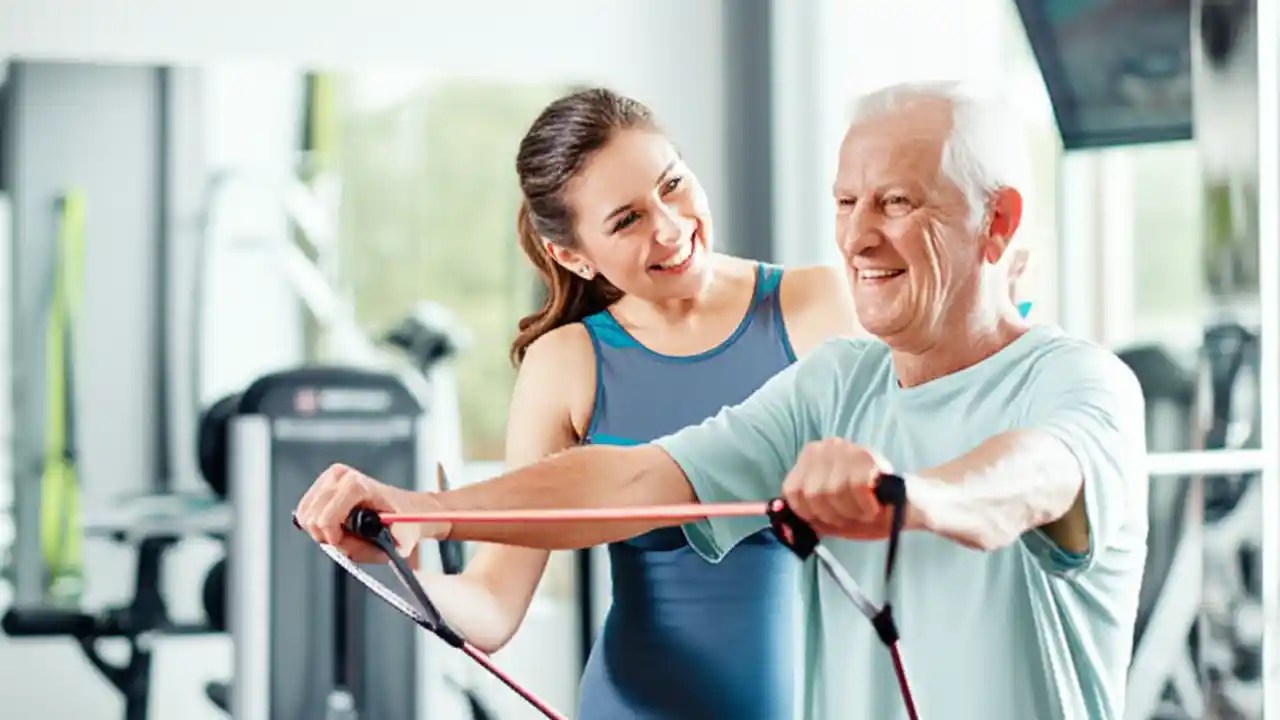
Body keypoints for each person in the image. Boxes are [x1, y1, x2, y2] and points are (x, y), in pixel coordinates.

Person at [296, 81, 1146, 720]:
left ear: (998, 226)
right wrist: (425, 515)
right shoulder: (836, 382)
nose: (857, 235)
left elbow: (1035, 474)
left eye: (895, 202)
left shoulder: (1079, 380)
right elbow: (634, 483)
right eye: (846, 204)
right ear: (579, 255)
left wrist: (911, 495)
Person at [363, 87, 861, 719]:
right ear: (571, 255)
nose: (670, 227)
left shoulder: (818, 304)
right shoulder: (566, 362)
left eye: (673, 184)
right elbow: (492, 607)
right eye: (627, 220)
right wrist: (395, 566)